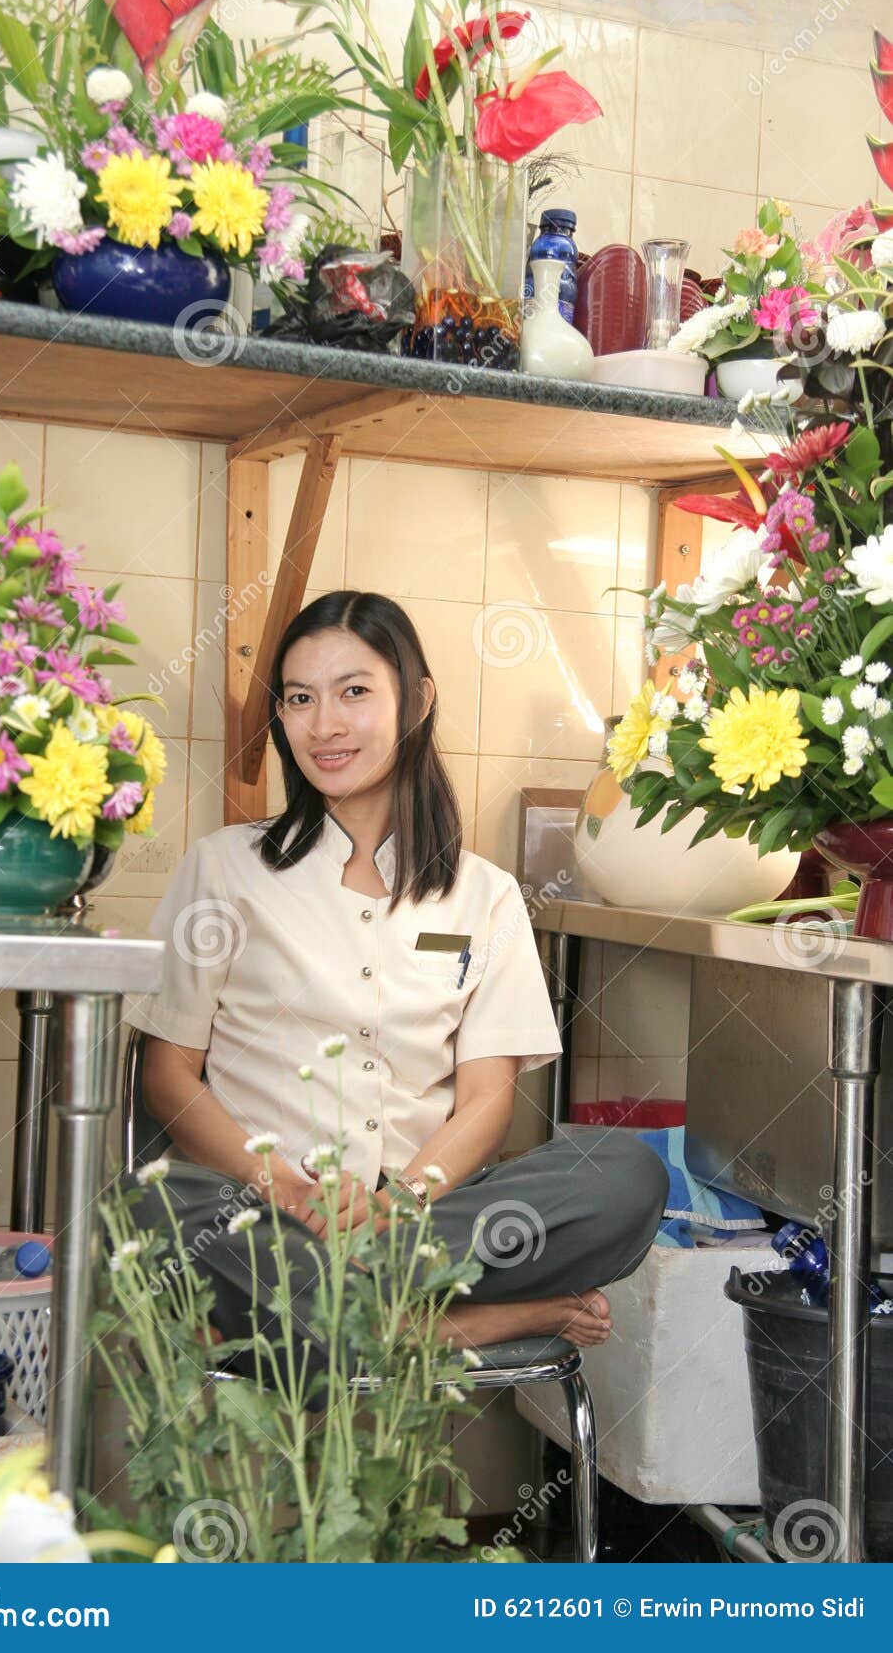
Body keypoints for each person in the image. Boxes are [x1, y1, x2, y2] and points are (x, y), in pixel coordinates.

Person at [129, 590, 667, 1380]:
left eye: (353, 692)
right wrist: (282, 1188)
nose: (324, 725)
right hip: (259, 1212)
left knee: (626, 1175)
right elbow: (166, 1075)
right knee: (148, 1208)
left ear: (415, 702)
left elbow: (487, 1100)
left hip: (422, 1223)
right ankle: (461, 1325)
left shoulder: (484, 898)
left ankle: (343, 1312)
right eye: (299, 699)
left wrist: (395, 1208)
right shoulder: (223, 868)